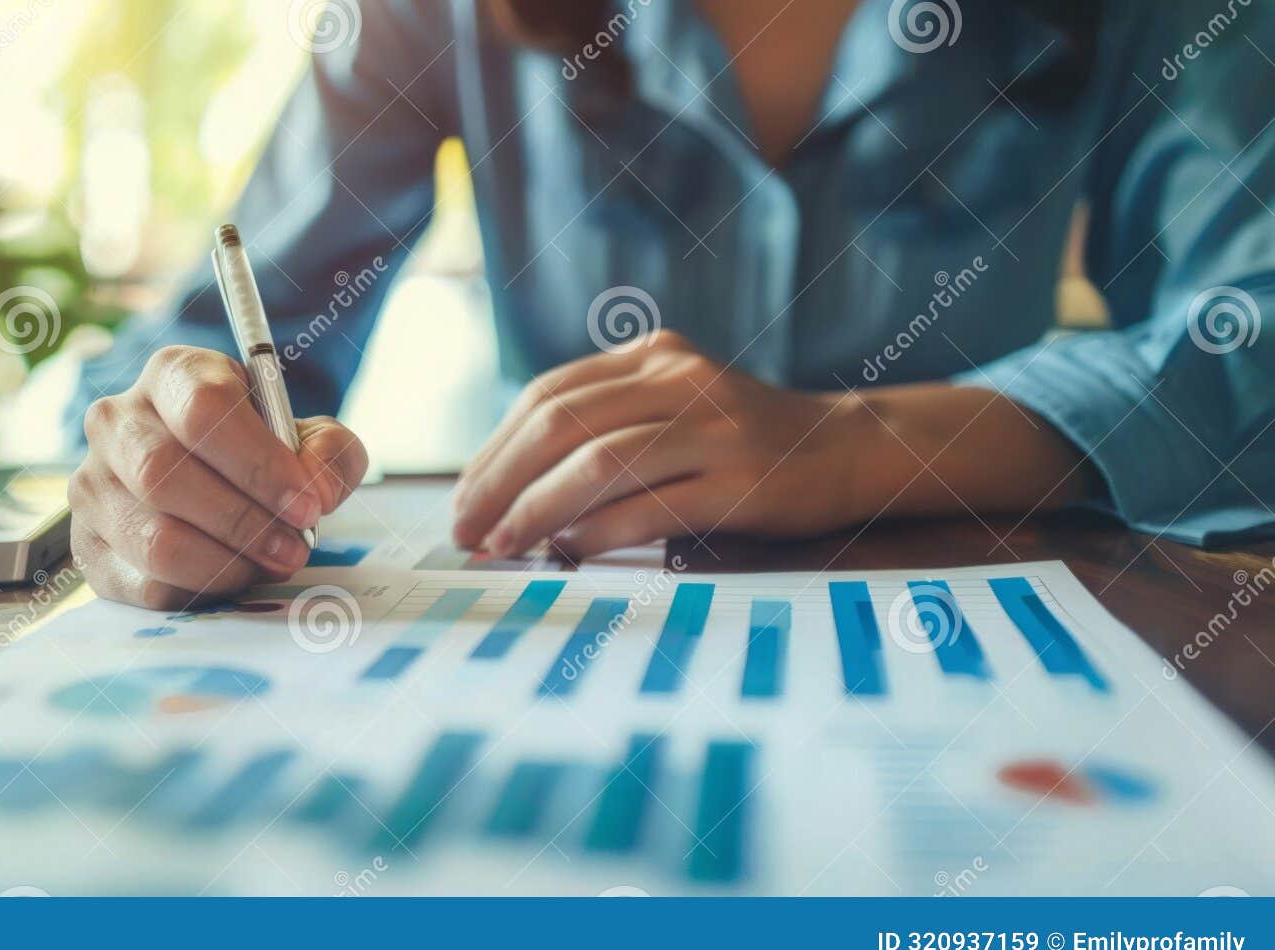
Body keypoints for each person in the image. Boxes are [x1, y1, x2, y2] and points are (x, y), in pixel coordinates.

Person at [68, 0, 1275, 610]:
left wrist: (861, 445)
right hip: (565, 626)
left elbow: (1253, 333)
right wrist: (170, 451)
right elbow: (215, 336)